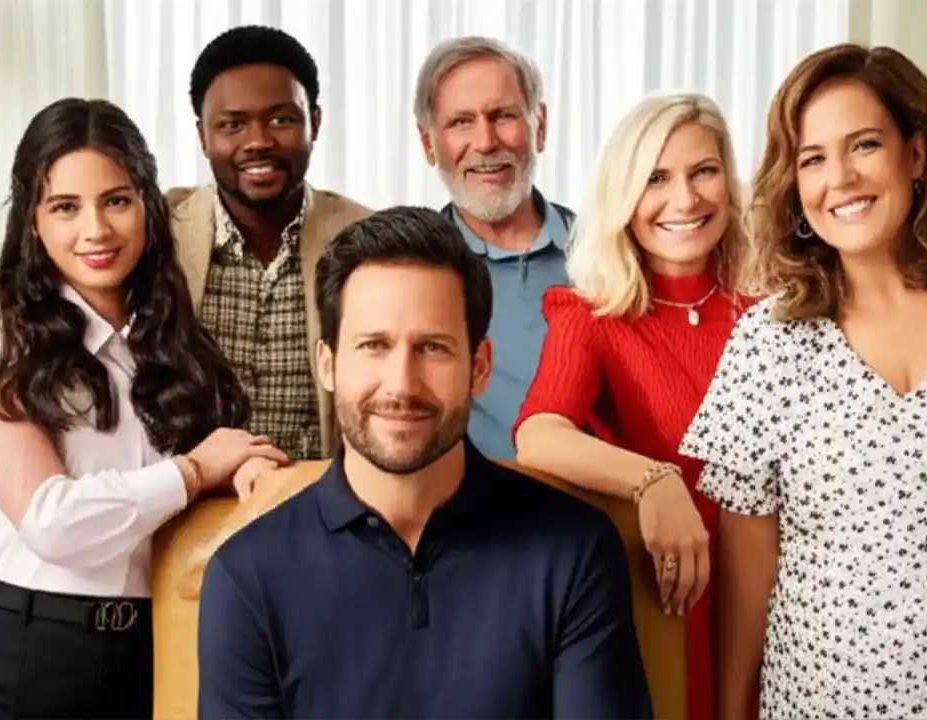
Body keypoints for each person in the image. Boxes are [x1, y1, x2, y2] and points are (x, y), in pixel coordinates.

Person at [680, 43, 927, 719]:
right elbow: (748, 568)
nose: (840, 178)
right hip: (816, 704)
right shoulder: (768, 343)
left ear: (917, 153)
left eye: (864, 145)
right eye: (812, 158)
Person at [0, 98, 287, 718]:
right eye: (65, 208)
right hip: (3, 652)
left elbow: (214, 468)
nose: (96, 231)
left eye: (116, 200)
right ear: (32, 220)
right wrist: (194, 472)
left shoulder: (171, 338)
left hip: (141, 649)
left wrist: (241, 472)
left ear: (147, 204)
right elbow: (52, 522)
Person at [197, 207, 651, 718]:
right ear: (327, 364)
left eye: (432, 348)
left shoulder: (573, 552)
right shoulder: (247, 577)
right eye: (374, 346)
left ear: (479, 367)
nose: (401, 385)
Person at [513, 92, 755, 720]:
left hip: (787, 613)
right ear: (624, 195)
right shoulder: (592, 316)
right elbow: (539, 434)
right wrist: (654, 480)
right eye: (656, 178)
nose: (686, 200)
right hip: (670, 609)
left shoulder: (773, 311)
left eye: (704, 171)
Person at [169, 25, 370, 462]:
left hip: (320, 506)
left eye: (281, 119)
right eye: (232, 125)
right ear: (203, 136)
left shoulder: (365, 240)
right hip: (186, 510)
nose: (258, 141)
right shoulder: (159, 235)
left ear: (314, 123)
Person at [414, 36, 574, 460]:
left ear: (539, 125)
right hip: (463, 519)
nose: (485, 143)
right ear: (429, 143)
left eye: (503, 116)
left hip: (600, 514)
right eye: (461, 122)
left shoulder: (608, 250)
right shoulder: (414, 267)